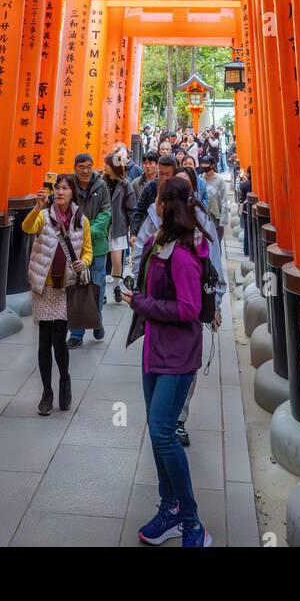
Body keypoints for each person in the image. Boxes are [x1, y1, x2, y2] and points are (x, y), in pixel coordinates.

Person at [122, 178, 212, 547]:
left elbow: (190, 308)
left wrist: (141, 304)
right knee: (158, 433)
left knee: (162, 431)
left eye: (159, 199)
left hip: (177, 355)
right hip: (154, 351)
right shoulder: (159, 242)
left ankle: (192, 523)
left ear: (165, 205)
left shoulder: (184, 255)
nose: (154, 205)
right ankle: (170, 508)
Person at [132, 160, 226, 449]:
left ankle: (178, 420)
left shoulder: (199, 230)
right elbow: (141, 254)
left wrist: (216, 302)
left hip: (181, 324)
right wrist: (140, 288)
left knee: (163, 426)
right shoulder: (154, 225)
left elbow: (214, 266)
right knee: (158, 419)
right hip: (159, 323)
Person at [22, 175, 92, 415]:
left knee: (58, 340)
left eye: (65, 188)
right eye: (58, 188)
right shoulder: (43, 216)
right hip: (44, 286)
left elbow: (87, 251)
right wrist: (37, 207)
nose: (61, 192)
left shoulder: (81, 221)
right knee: (43, 341)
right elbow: (27, 227)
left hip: (65, 288)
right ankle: (46, 393)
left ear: (73, 193)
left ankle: (64, 379)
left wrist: (84, 261)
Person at [68, 152, 111, 347]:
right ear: (75, 167)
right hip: (73, 245)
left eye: (89, 166)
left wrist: (88, 231)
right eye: (81, 167)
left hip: (97, 245)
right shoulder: (68, 184)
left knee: (96, 286)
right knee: (76, 288)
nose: (85, 170)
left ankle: (96, 320)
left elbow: (106, 212)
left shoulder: (101, 185)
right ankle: (76, 334)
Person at [104, 153, 137, 303]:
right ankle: (102, 292)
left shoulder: (125, 184)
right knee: (101, 260)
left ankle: (116, 286)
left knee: (117, 261)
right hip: (102, 227)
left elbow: (131, 210)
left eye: (108, 164)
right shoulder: (100, 182)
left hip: (119, 227)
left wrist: (133, 231)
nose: (105, 167)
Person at [201, 156, 229, 244]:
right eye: (203, 163)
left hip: (216, 217)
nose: (204, 165)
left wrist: (223, 220)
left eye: (206, 163)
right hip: (204, 216)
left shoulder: (219, 180)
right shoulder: (202, 178)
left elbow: (224, 200)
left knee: (216, 244)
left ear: (212, 165)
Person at [237, 165, 252, 258]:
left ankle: (247, 250)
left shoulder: (246, 184)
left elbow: (237, 188)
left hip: (246, 210)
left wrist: (240, 178)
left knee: (247, 230)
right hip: (253, 209)